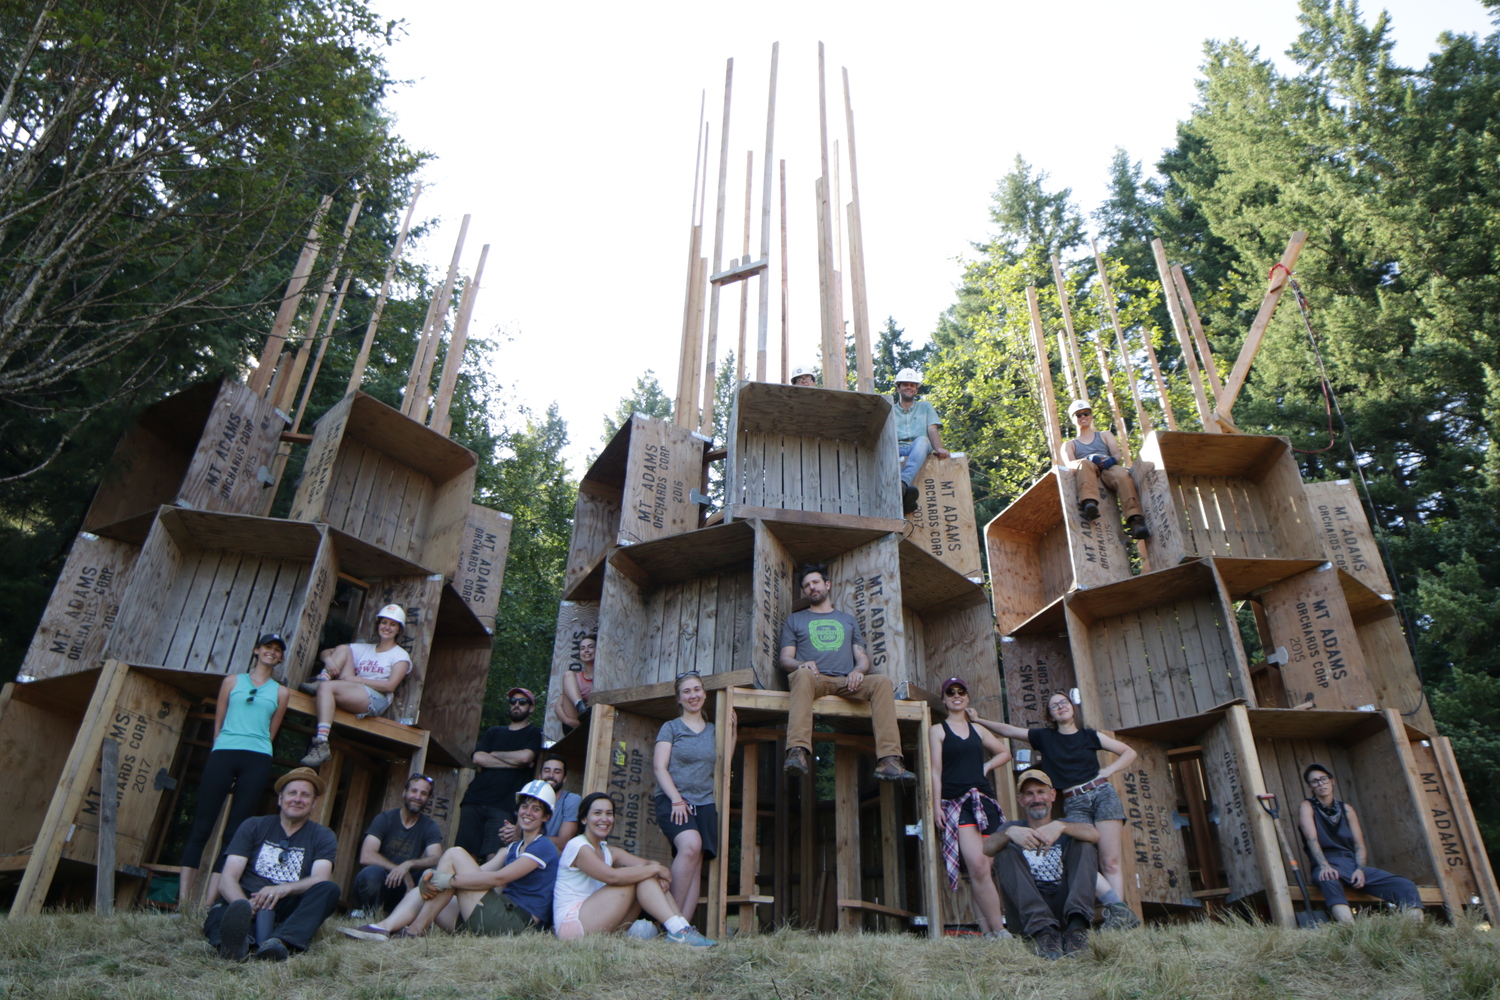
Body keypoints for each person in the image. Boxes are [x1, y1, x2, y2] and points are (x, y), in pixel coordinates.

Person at [968, 691, 1140, 930]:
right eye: (1054, 706)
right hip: (1074, 801)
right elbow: (1009, 730)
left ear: (1072, 707)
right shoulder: (1044, 737)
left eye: (1064, 703)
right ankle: (1116, 909)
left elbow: (1129, 752)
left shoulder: (1090, 736)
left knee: (1110, 862)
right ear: (1050, 715)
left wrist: (1106, 773)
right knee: (1081, 857)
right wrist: (978, 720)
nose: (1060, 707)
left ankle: (1118, 920)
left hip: (1103, 795)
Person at [344, 780, 561, 940]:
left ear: (546, 816)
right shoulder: (512, 848)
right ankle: (383, 927)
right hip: (494, 915)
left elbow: (498, 879)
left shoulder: (543, 846)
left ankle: (414, 931)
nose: (528, 813)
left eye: (536, 809)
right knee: (423, 890)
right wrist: (433, 880)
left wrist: (449, 881)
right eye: (525, 806)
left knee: (454, 853)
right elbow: (478, 874)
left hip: (515, 924)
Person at [177, 633, 291, 908]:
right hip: (225, 750)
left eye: (277, 650)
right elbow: (220, 719)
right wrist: (219, 746)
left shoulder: (280, 692)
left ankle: (208, 903)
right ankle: (183, 903)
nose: (271, 653)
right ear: (256, 649)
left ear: (280, 657)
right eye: (267, 647)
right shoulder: (232, 681)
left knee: (235, 831)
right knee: (202, 825)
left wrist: (257, 746)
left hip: (258, 755)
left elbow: (272, 730)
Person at [780, 564, 915, 785]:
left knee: (881, 682)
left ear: (827, 585)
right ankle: (797, 753)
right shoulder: (795, 620)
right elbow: (785, 659)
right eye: (806, 585)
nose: (811, 587)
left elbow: (862, 658)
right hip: (814, 680)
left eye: (815, 582)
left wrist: (857, 671)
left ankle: (888, 761)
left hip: (846, 681)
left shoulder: (848, 620)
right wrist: (802, 664)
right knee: (801, 675)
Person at [203, 767, 340, 962]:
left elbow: (321, 877)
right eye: (292, 793)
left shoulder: (323, 835)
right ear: (280, 799)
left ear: (313, 803)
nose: (297, 799)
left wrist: (285, 889)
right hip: (247, 898)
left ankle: (278, 942)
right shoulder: (253, 826)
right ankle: (236, 946)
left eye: (305, 795)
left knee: (328, 889)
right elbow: (227, 878)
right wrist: (244, 906)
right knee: (221, 914)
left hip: (288, 906)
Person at [552, 792, 715, 945]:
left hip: (598, 922)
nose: (605, 818)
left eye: (609, 814)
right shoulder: (578, 846)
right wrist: (655, 871)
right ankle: (678, 930)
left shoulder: (608, 851)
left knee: (644, 875)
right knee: (640, 876)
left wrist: (656, 871)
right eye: (597, 813)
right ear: (584, 819)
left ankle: (681, 928)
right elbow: (612, 877)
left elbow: (647, 864)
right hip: (572, 926)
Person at [983, 769, 1102, 959]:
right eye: (1029, 794)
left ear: (1052, 795)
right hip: (1029, 920)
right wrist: (1008, 833)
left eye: (1041, 792)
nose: (1036, 798)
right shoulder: (1012, 829)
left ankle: (1077, 928)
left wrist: (1062, 826)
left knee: (1085, 845)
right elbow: (987, 848)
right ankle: (1044, 933)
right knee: (1003, 851)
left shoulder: (1066, 825)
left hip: (1065, 910)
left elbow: (1095, 835)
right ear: (1020, 800)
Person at [929, 677, 1011, 939]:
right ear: (943, 699)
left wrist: (986, 767)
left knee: (984, 870)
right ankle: (1000, 931)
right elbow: (935, 770)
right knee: (976, 866)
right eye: (950, 692)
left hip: (984, 802)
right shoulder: (938, 730)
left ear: (967, 697)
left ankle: (987, 933)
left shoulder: (978, 730)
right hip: (956, 803)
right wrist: (935, 806)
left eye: (961, 691)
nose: (956, 695)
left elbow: (1004, 752)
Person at [1298, 763, 1423, 922]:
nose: (1321, 784)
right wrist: (1324, 866)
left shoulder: (1347, 809)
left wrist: (1360, 869)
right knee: (1328, 878)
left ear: (1332, 781)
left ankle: (1417, 930)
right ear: (1310, 786)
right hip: (1326, 863)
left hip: (1351, 865)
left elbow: (1359, 846)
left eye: (1324, 779)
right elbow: (1312, 839)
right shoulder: (1307, 806)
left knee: (1405, 885)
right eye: (1315, 781)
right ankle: (1352, 931)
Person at [300, 604, 412, 766]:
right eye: (384, 622)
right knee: (344, 649)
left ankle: (321, 742)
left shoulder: (400, 655)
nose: (387, 627)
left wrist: (357, 680)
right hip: (352, 688)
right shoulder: (365, 648)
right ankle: (323, 679)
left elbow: (390, 686)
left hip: (375, 698)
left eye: (393, 624)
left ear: (398, 630)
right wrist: (329, 660)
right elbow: (325, 652)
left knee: (326, 688)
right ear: (378, 625)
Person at [653, 671, 721, 922]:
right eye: (687, 692)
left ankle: (683, 928)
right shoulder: (671, 727)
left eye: (697, 690)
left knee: (697, 860)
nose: (693, 695)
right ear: (679, 699)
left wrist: (732, 731)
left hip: (704, 801)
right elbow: (660, 767)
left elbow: (722, 763)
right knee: (690, 846)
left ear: (705, 693)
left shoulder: (714, 729)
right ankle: (669, 920)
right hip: (672, 800)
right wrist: (677, 800)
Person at [456, 687, 544, 860]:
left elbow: (526, 757)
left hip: (504, 805)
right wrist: (515, 764)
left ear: (531, 708)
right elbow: (478, 758)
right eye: (513, 702)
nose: (516, 705)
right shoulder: (493, 732)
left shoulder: (534, 733)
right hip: (474, 799)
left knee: (495, 857)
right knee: (464, 855)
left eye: (522, 702)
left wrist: (495, 754)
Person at [352, 773, 444, 915]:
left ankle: (409, 918)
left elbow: (437, 858)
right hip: (380, 882)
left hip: (406, 888)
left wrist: (409, 864)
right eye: (414, 791)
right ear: (404, 792)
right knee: (371, 873)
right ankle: (366, 913)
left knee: (430, 876)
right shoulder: (384, 819)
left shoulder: (429, 826)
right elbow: (366, 855)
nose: (418, 797)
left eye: (423, 794)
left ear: (428, 799)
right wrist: (399, 869)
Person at [1061, 400, 1149, 541]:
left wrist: (1112, 460)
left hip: (1107, 467)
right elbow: (1070, 464)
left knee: (1122, 476)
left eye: (1086, 413)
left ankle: (1135, 520)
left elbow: (1117, 454)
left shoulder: (1104, 435)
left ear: (1091, 416)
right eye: (1078, 415)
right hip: (1088, 471)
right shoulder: (1069, 444)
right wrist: (1089, 458)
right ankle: (1089, 503)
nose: (1083, 417)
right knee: (1084, 464)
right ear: (1073, 419)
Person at [892, 368, 949, 514]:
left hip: (918, 448)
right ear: (898, 388)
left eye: (912, 385)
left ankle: (903, 484)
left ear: (916, 390)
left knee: (923, 440)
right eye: (905, 384)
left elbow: (932, 429)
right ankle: (906, 501)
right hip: (896, 448)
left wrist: (939, 448)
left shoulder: (925, 406)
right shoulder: (890, 410)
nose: (909, 387)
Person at [555, 634, 596, 735]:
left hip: (595, 722)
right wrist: (566, 720)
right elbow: (558, 706)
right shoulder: (574, 678)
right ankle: (581, 706)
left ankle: (585, 711)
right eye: (582, 648)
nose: (586, 650)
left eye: (590, 647)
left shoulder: (605, 676)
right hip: (575, 723)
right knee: (568, 675)